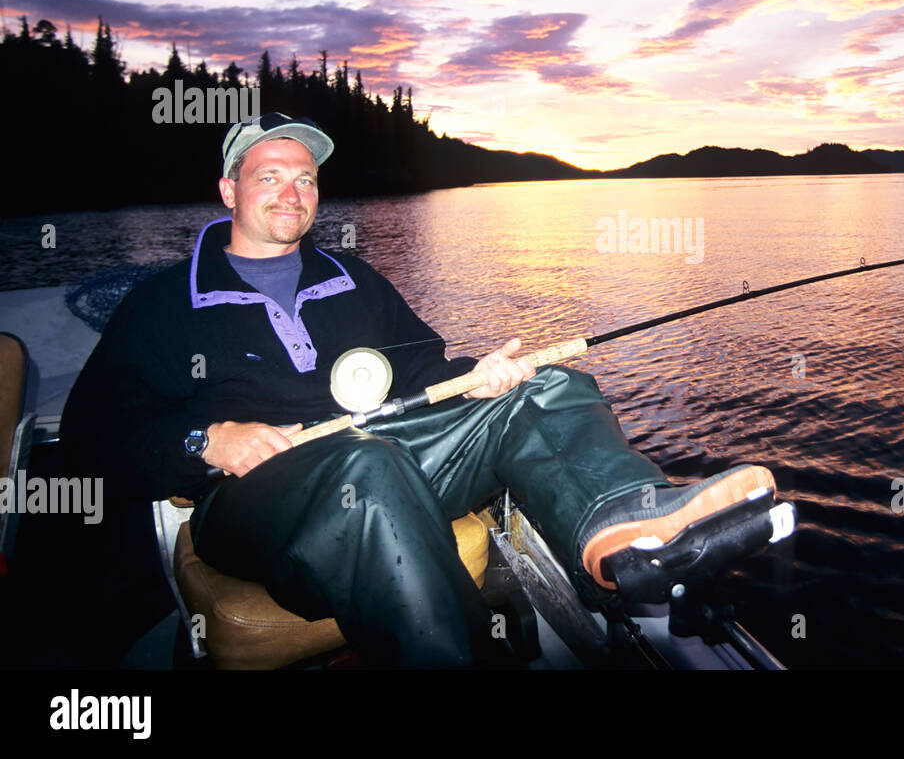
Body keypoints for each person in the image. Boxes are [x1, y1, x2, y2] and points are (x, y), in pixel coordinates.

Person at [61, 112, 777, 667]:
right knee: (366, 467)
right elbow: (91, 433)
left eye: (306, 178)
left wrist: (478, 379)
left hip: (388, 453)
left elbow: (423, 374)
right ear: (228, 190)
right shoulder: (163, 304)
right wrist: (206, 440)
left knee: (544, 386)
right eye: (270, 175)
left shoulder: (354, 280)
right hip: (255, 501)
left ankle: (623, 532)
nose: (293, 192)